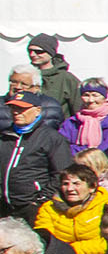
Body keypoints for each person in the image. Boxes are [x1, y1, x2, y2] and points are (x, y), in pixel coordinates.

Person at [0, 88, 74, 218]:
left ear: (37, 110)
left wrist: (41, 199)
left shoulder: (51, 138)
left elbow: (63, 172)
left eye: (22, 109)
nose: (16, 112)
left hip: (34, 207)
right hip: (4, 206)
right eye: (13, 108)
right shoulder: (5, 136)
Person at [34, 163, 108, 254]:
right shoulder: (48, 208)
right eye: (65, 184)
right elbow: (44, 239)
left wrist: (71, 250)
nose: (70, 188)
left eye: (76, 184)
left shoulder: (107, 207)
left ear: (92, 187)